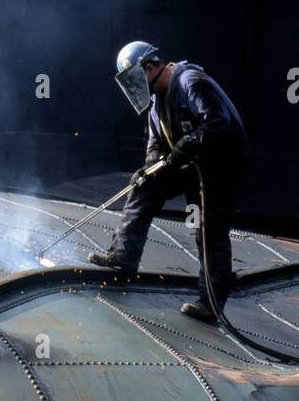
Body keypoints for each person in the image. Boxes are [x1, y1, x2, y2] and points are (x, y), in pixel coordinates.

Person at [88, 41, 248, 323]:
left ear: (150, 68)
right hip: (187, 163)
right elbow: (155, 146)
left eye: (136, 78)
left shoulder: (191, 81)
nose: (136, 86)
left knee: (207, 230)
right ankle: (123, 259)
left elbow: (218, 122)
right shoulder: (155, 106)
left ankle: (211, 302)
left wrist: (190, 143)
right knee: (144, 189)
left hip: (218, 168)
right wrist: (148, 169)